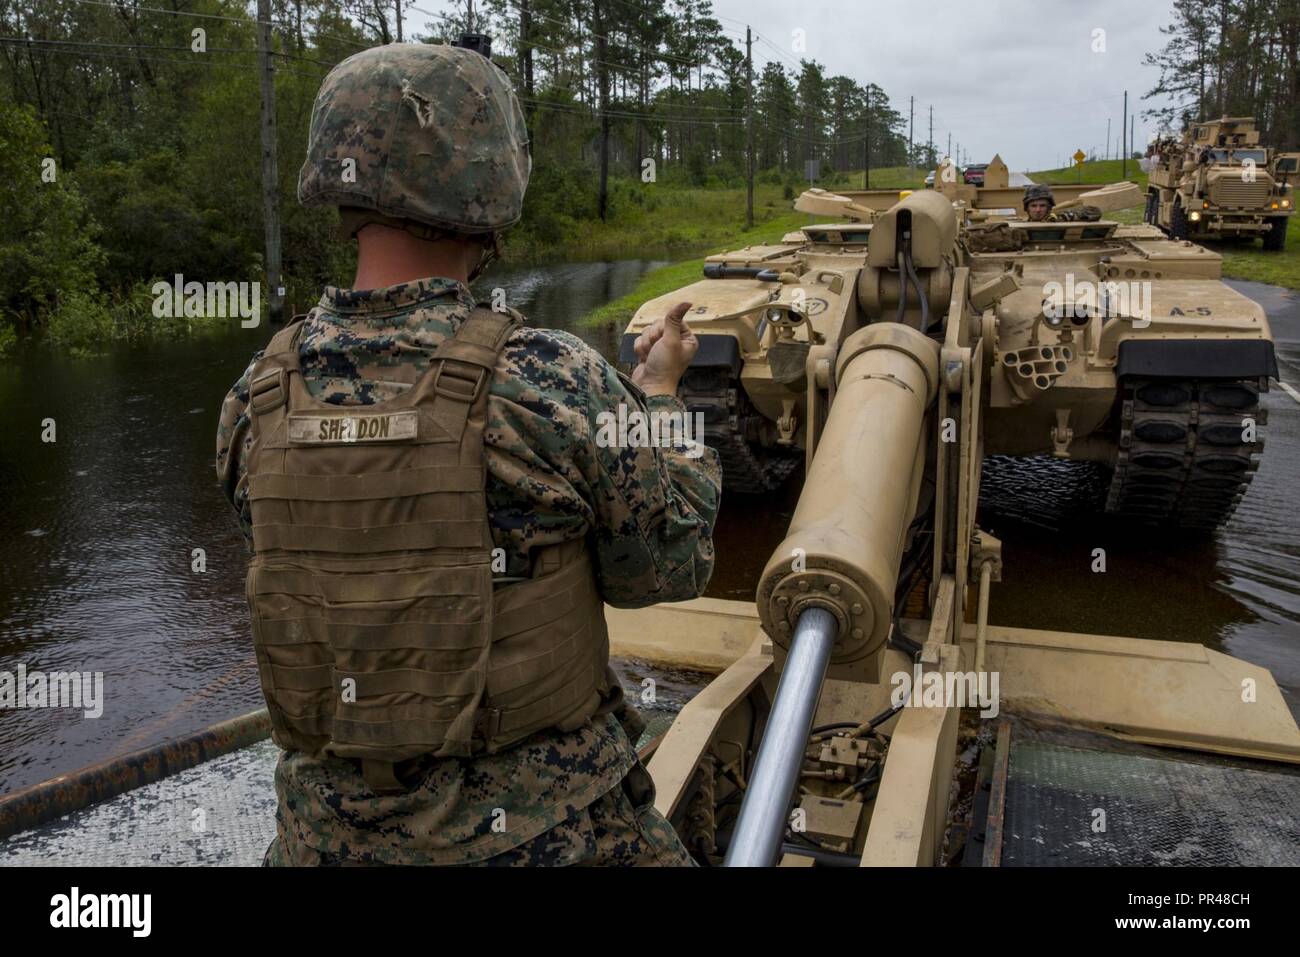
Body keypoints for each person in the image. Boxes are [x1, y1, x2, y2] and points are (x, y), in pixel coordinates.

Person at [215, 40, 721, 866]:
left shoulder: (258, 396)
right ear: (490, 182)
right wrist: (661, 396)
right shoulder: (549, 379)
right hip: (550, 838)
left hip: (322, 842)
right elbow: (665, 568)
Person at [1022, 183, 1101, 222]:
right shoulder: (1022, 224)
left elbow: (1095, 212)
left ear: (1049, 207)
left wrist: (1064, 216)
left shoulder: (1058, 218)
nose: (1038, 210)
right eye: (1033, 206)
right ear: (1027, 208)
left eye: (1042, 206)